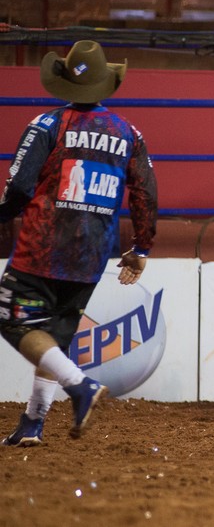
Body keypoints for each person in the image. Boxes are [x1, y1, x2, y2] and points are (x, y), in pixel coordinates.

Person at [0, 40, 157, 446]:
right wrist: (140, 249)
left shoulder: (48, 125)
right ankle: (33, 424)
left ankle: (81, 386)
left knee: (12, 319)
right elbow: (145, 194)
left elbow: (18, 187)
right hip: (91, 252)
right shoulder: (128, 133)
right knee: (56, 337)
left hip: (43, 244)